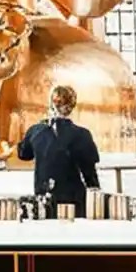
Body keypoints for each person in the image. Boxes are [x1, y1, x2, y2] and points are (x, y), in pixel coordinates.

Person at [17, 84, 100, 216]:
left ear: (51, 104)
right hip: (74, 202)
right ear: (72, 106)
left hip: (44, 199)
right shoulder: (82, 135)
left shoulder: (35, 132)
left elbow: (23, 154)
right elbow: (90, 175)